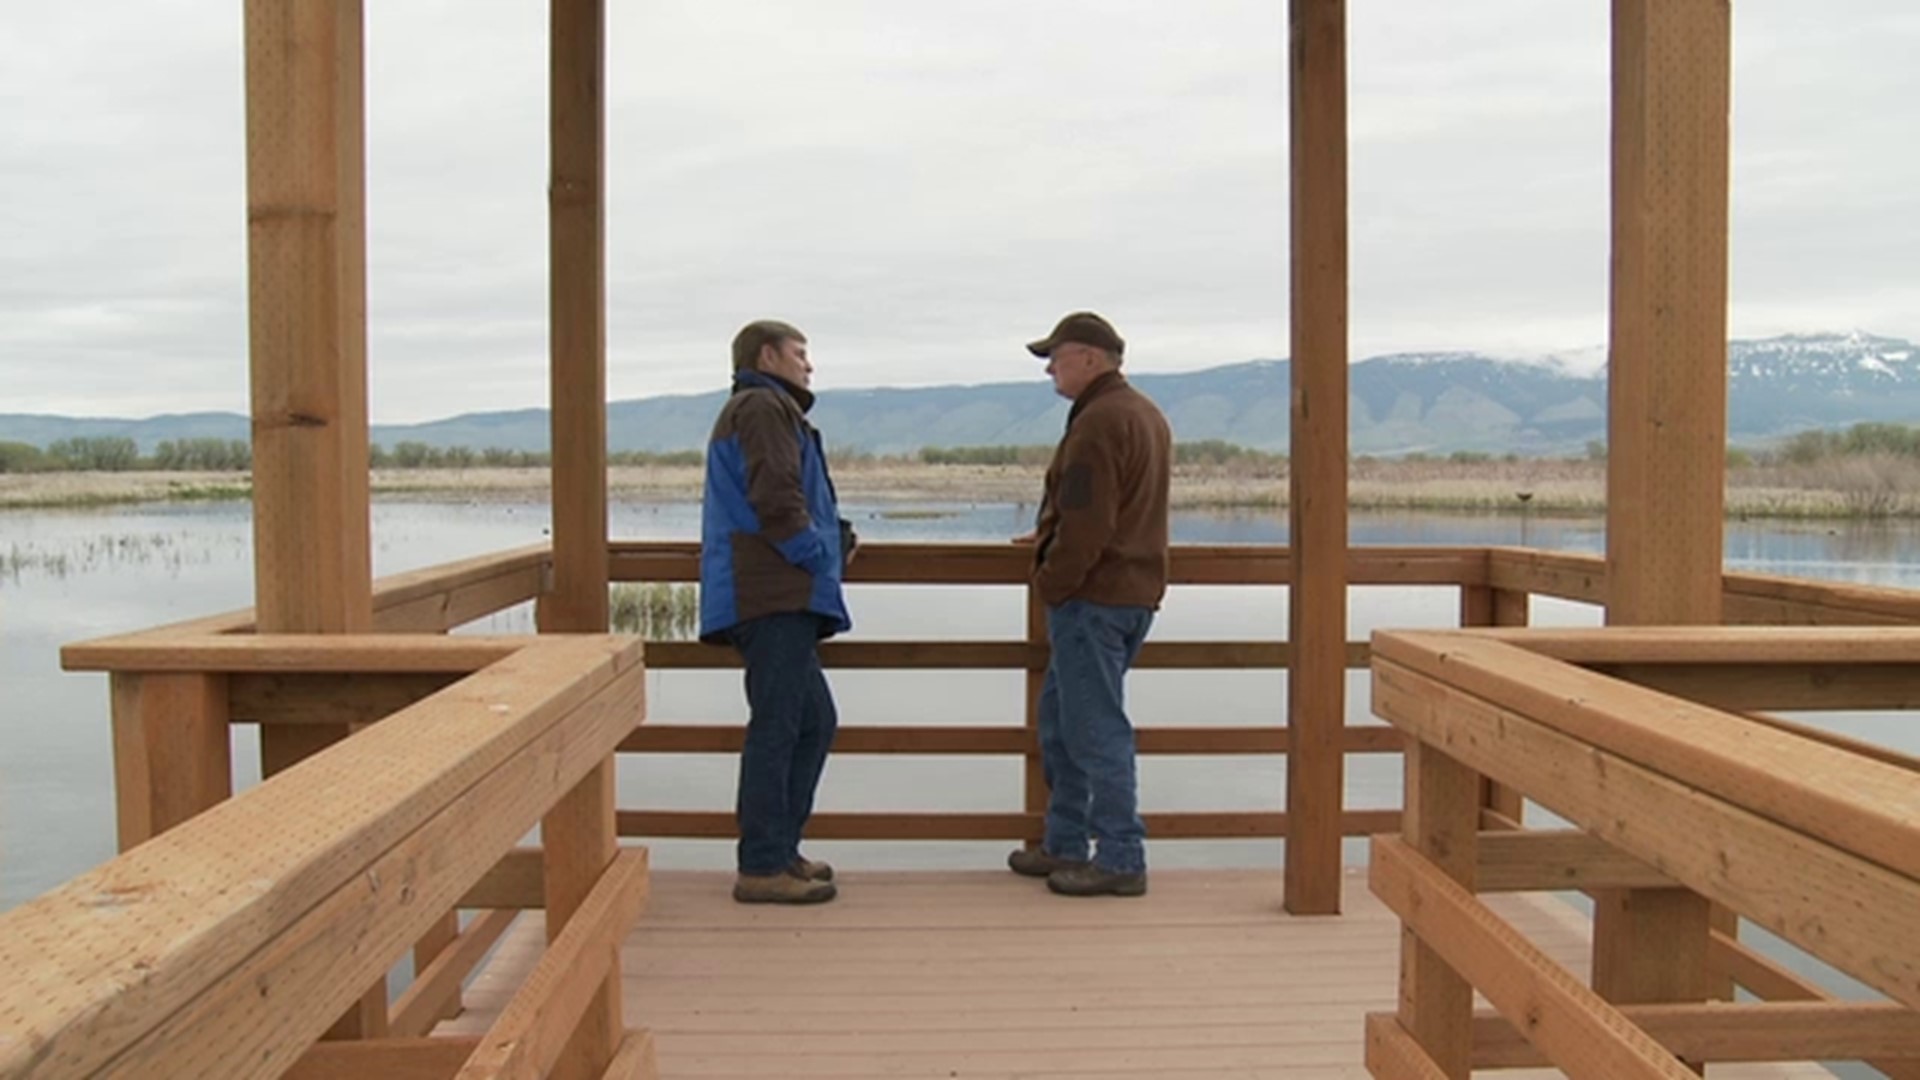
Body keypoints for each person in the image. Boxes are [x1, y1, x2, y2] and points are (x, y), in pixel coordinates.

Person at [1009, 311, 1172, 898]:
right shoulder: (1142, 413)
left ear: (1091, 358)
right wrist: (1048, 535)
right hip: (1131, 593)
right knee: (1062, 721)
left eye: (1057, 355)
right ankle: (1066, 843)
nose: (1050, 366)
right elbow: (1107, 508)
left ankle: (1121, 856)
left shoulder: (1099, 422)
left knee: (1095, 728)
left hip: (1093, 598)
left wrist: (1053, 580)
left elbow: (1089, 517)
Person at [699, 319, 855, 904]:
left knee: (810, 722)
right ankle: (762, 864)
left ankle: (780, 850)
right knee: (780, 726)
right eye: (800, 352)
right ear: (768, 355)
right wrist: (817, 554)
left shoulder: (766, 408)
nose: (808, 365)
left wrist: (834, 539)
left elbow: (791, 495)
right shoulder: (763, 407)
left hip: (771, 589)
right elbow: (776, 497)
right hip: (768, 592)